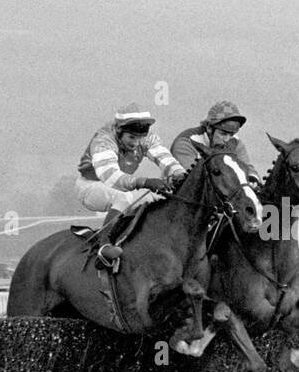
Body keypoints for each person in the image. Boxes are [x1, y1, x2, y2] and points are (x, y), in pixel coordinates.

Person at [77, 103, 188, 268]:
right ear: (118, 131)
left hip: (117, 185)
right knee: (123, 197)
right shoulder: (103, 140)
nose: (136, 143)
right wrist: (144, 181)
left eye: (140, 138)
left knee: (156, 198)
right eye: (131, 138)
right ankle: (104, 247)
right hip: (91, 186)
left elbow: (163, 157)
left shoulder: (146, 137)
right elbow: (111, 177)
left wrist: (178, 173)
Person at [170, 101, 261, 185]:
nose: (227, 139)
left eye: (231, 134)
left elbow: (249, 170)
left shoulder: (235, 142)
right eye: (223, 133)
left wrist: (252, 180)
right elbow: (192, 181)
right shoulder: (186, 142)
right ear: (209, 128)